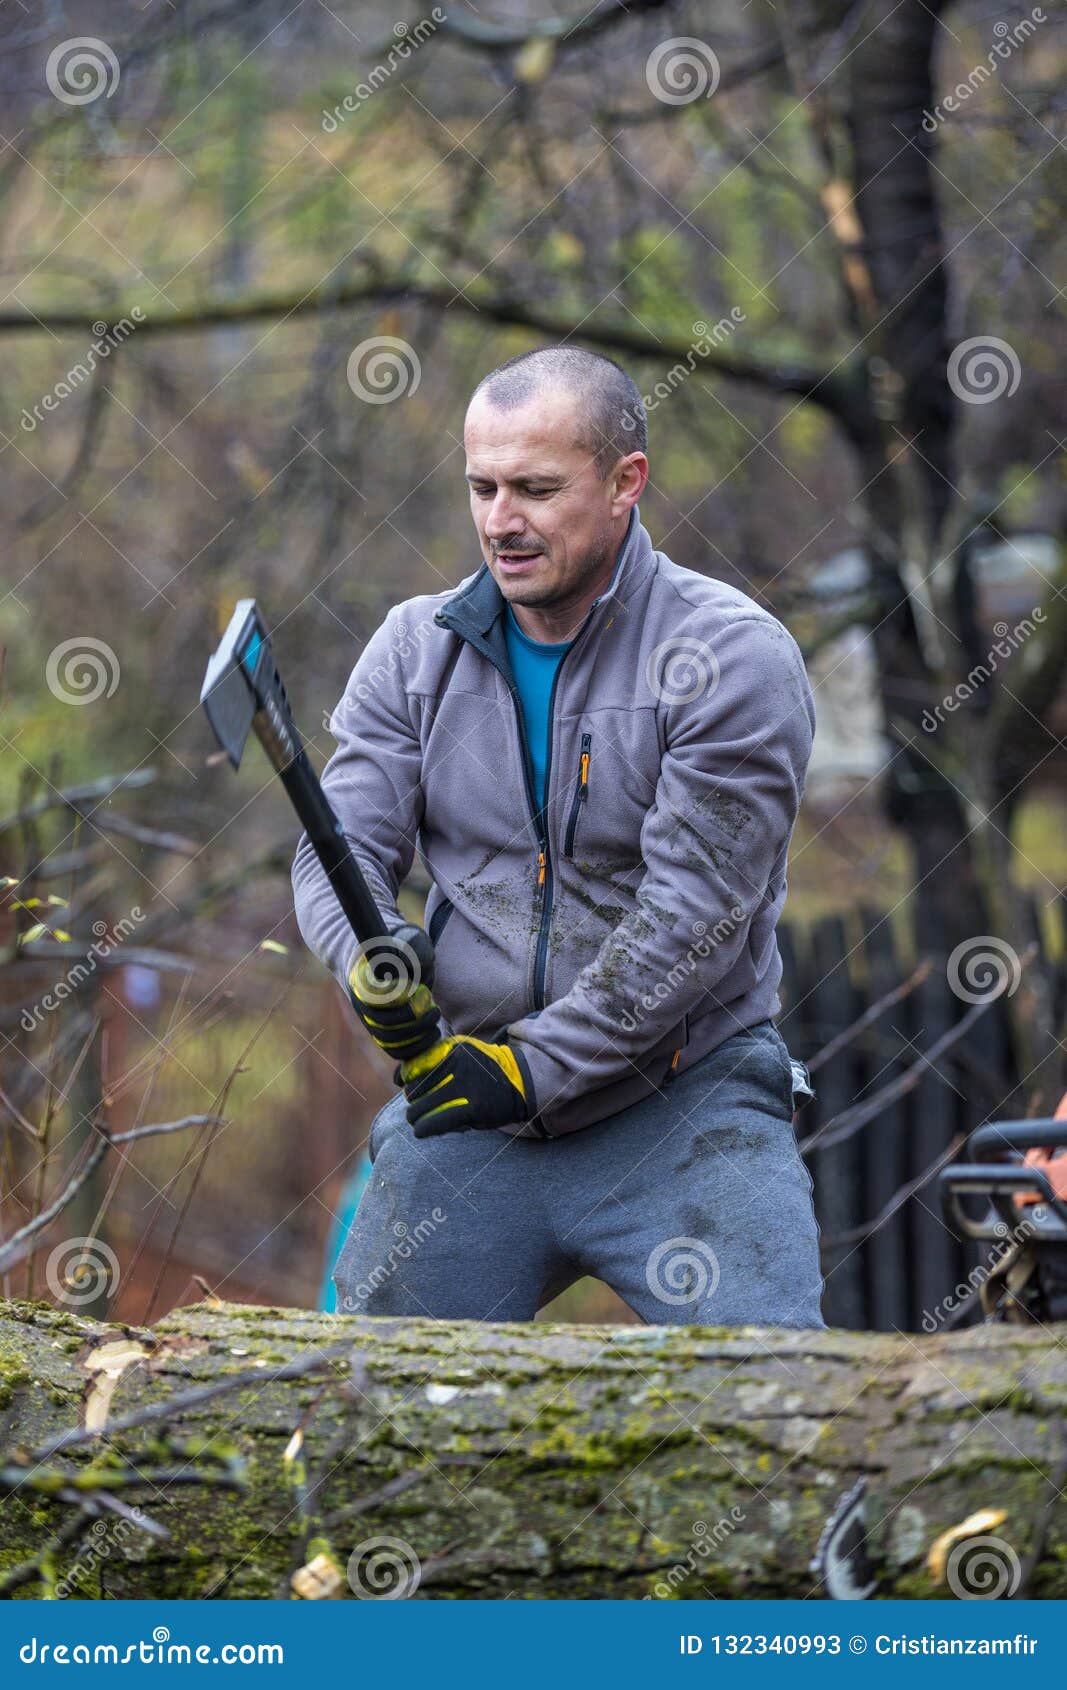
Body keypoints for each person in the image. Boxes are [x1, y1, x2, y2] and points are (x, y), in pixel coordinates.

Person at [292, 345, 824, 1328]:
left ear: (625, 482)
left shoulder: (730, 658)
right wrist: (366, 952)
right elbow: (336, 853)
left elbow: (693, 918)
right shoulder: (415, 651)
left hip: (686, 1101)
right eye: (482, 487)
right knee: (353, 1419)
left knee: (778, 1408)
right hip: (469, 1107)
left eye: (535, 488)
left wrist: (531, 1068)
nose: (501, 520)